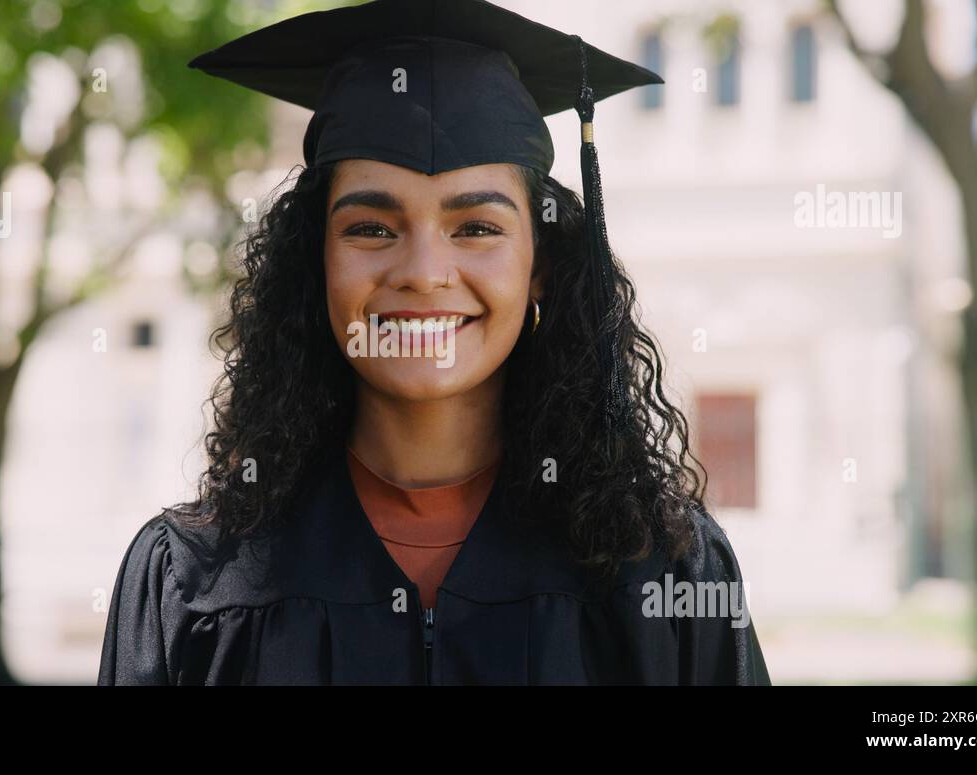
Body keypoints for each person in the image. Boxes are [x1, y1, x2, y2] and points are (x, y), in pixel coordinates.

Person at [98, 0, 771, 685]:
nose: (423, 273)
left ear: (541, 266)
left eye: (477, 227)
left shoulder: (664, 576)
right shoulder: (194, 583)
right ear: (317, 262)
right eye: (371, 229)